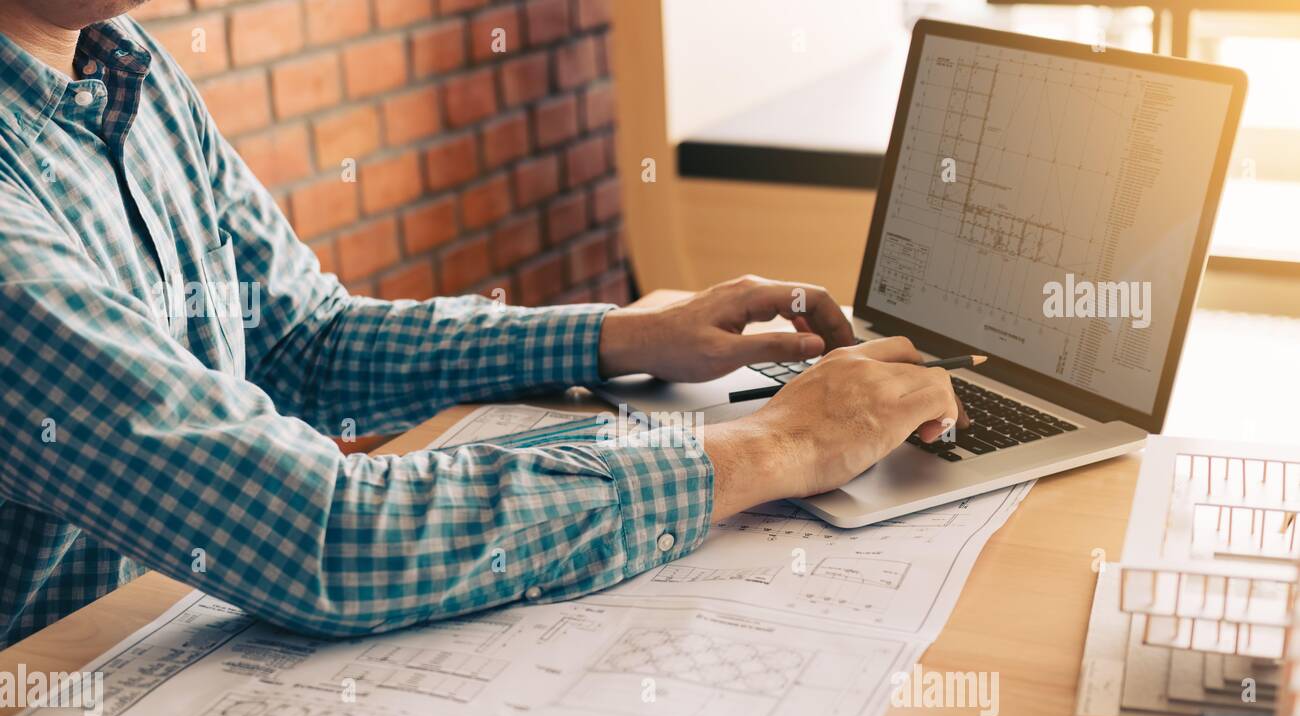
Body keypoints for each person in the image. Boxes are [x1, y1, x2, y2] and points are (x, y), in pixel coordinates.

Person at [0, 2, 961, 647]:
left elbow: (302, 340)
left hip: (164, 633)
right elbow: (322, 535)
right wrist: (780, 446)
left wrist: (616, 337)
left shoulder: (127, 63)